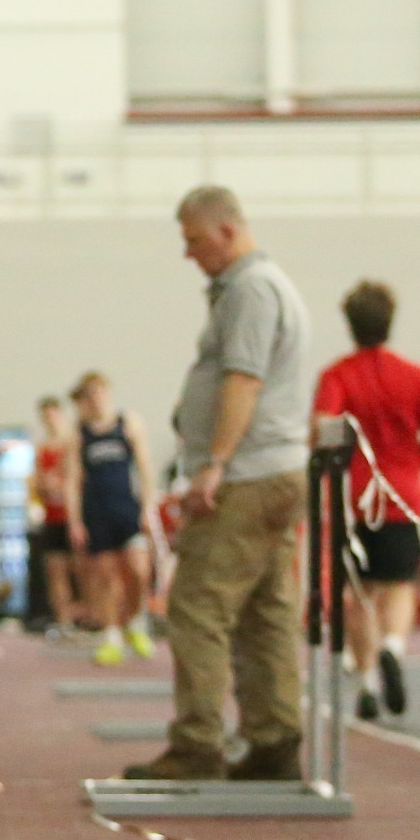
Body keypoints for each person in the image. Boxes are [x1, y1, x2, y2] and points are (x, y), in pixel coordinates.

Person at [124, 186, 311, 782]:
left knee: (197, 606)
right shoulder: (264, 284)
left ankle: (198, 743)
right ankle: (275, 739)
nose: (188, 254)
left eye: (193, 240)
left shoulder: (252, 291)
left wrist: (215, 463)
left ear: (227, 232)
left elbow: (243, 381)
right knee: (264, 609)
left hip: (249, 475)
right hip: (273, 471)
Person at [312, 280, 420, 720]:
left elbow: (322, 428)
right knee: (400, 586)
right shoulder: (414, 376)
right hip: (402, 496)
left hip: (355, 499)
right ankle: (392, 645)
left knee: (361, 593)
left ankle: (368, 681)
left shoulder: (338, 376)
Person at [64, 372, 157, 666]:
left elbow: (144, 466)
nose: (94, 400)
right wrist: (74, 521)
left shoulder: (127, 424)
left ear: (107, 392)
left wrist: (148, 506)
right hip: (97, 512)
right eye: (87, 396)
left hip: (126, 509)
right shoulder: (78, 434)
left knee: (139, 569)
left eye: (98, 393)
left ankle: (134, 619)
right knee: (106, 576)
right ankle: (111, 634)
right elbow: (71, 480)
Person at [29, 396, 80, 637]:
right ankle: (64, 621)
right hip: (53, 518)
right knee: (56, 570)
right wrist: (44, 486)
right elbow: (36, 483)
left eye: (53, 415)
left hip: (75, 517)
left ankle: (91, 617)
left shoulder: (73, 444)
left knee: (82, 569)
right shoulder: (42, 449)